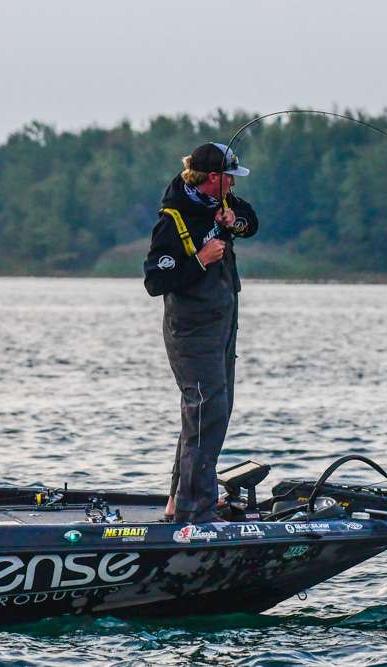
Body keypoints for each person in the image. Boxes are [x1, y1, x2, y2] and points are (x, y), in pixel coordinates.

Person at [143, 142, 259, 524]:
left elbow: (251, 222)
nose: (234, 184)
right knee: (206, 411)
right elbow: (155, 281)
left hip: (223, 324)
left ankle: (179, 501)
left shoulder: (222, 203)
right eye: (230, 178)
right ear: (212, 178)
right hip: (191, 330)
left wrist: (233, 222)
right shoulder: (173, 219)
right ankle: (196, 511)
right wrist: (199, 259)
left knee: (210, 413)